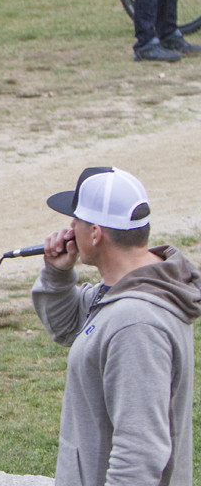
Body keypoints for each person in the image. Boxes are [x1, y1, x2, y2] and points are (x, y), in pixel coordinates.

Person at [32, 166, 201, 486]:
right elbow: (67, 328)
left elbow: (139, 452)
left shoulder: (136, 324)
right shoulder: (128, 288)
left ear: (95, 233)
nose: (69, 228)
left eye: (76, 220)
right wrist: (58, 274)